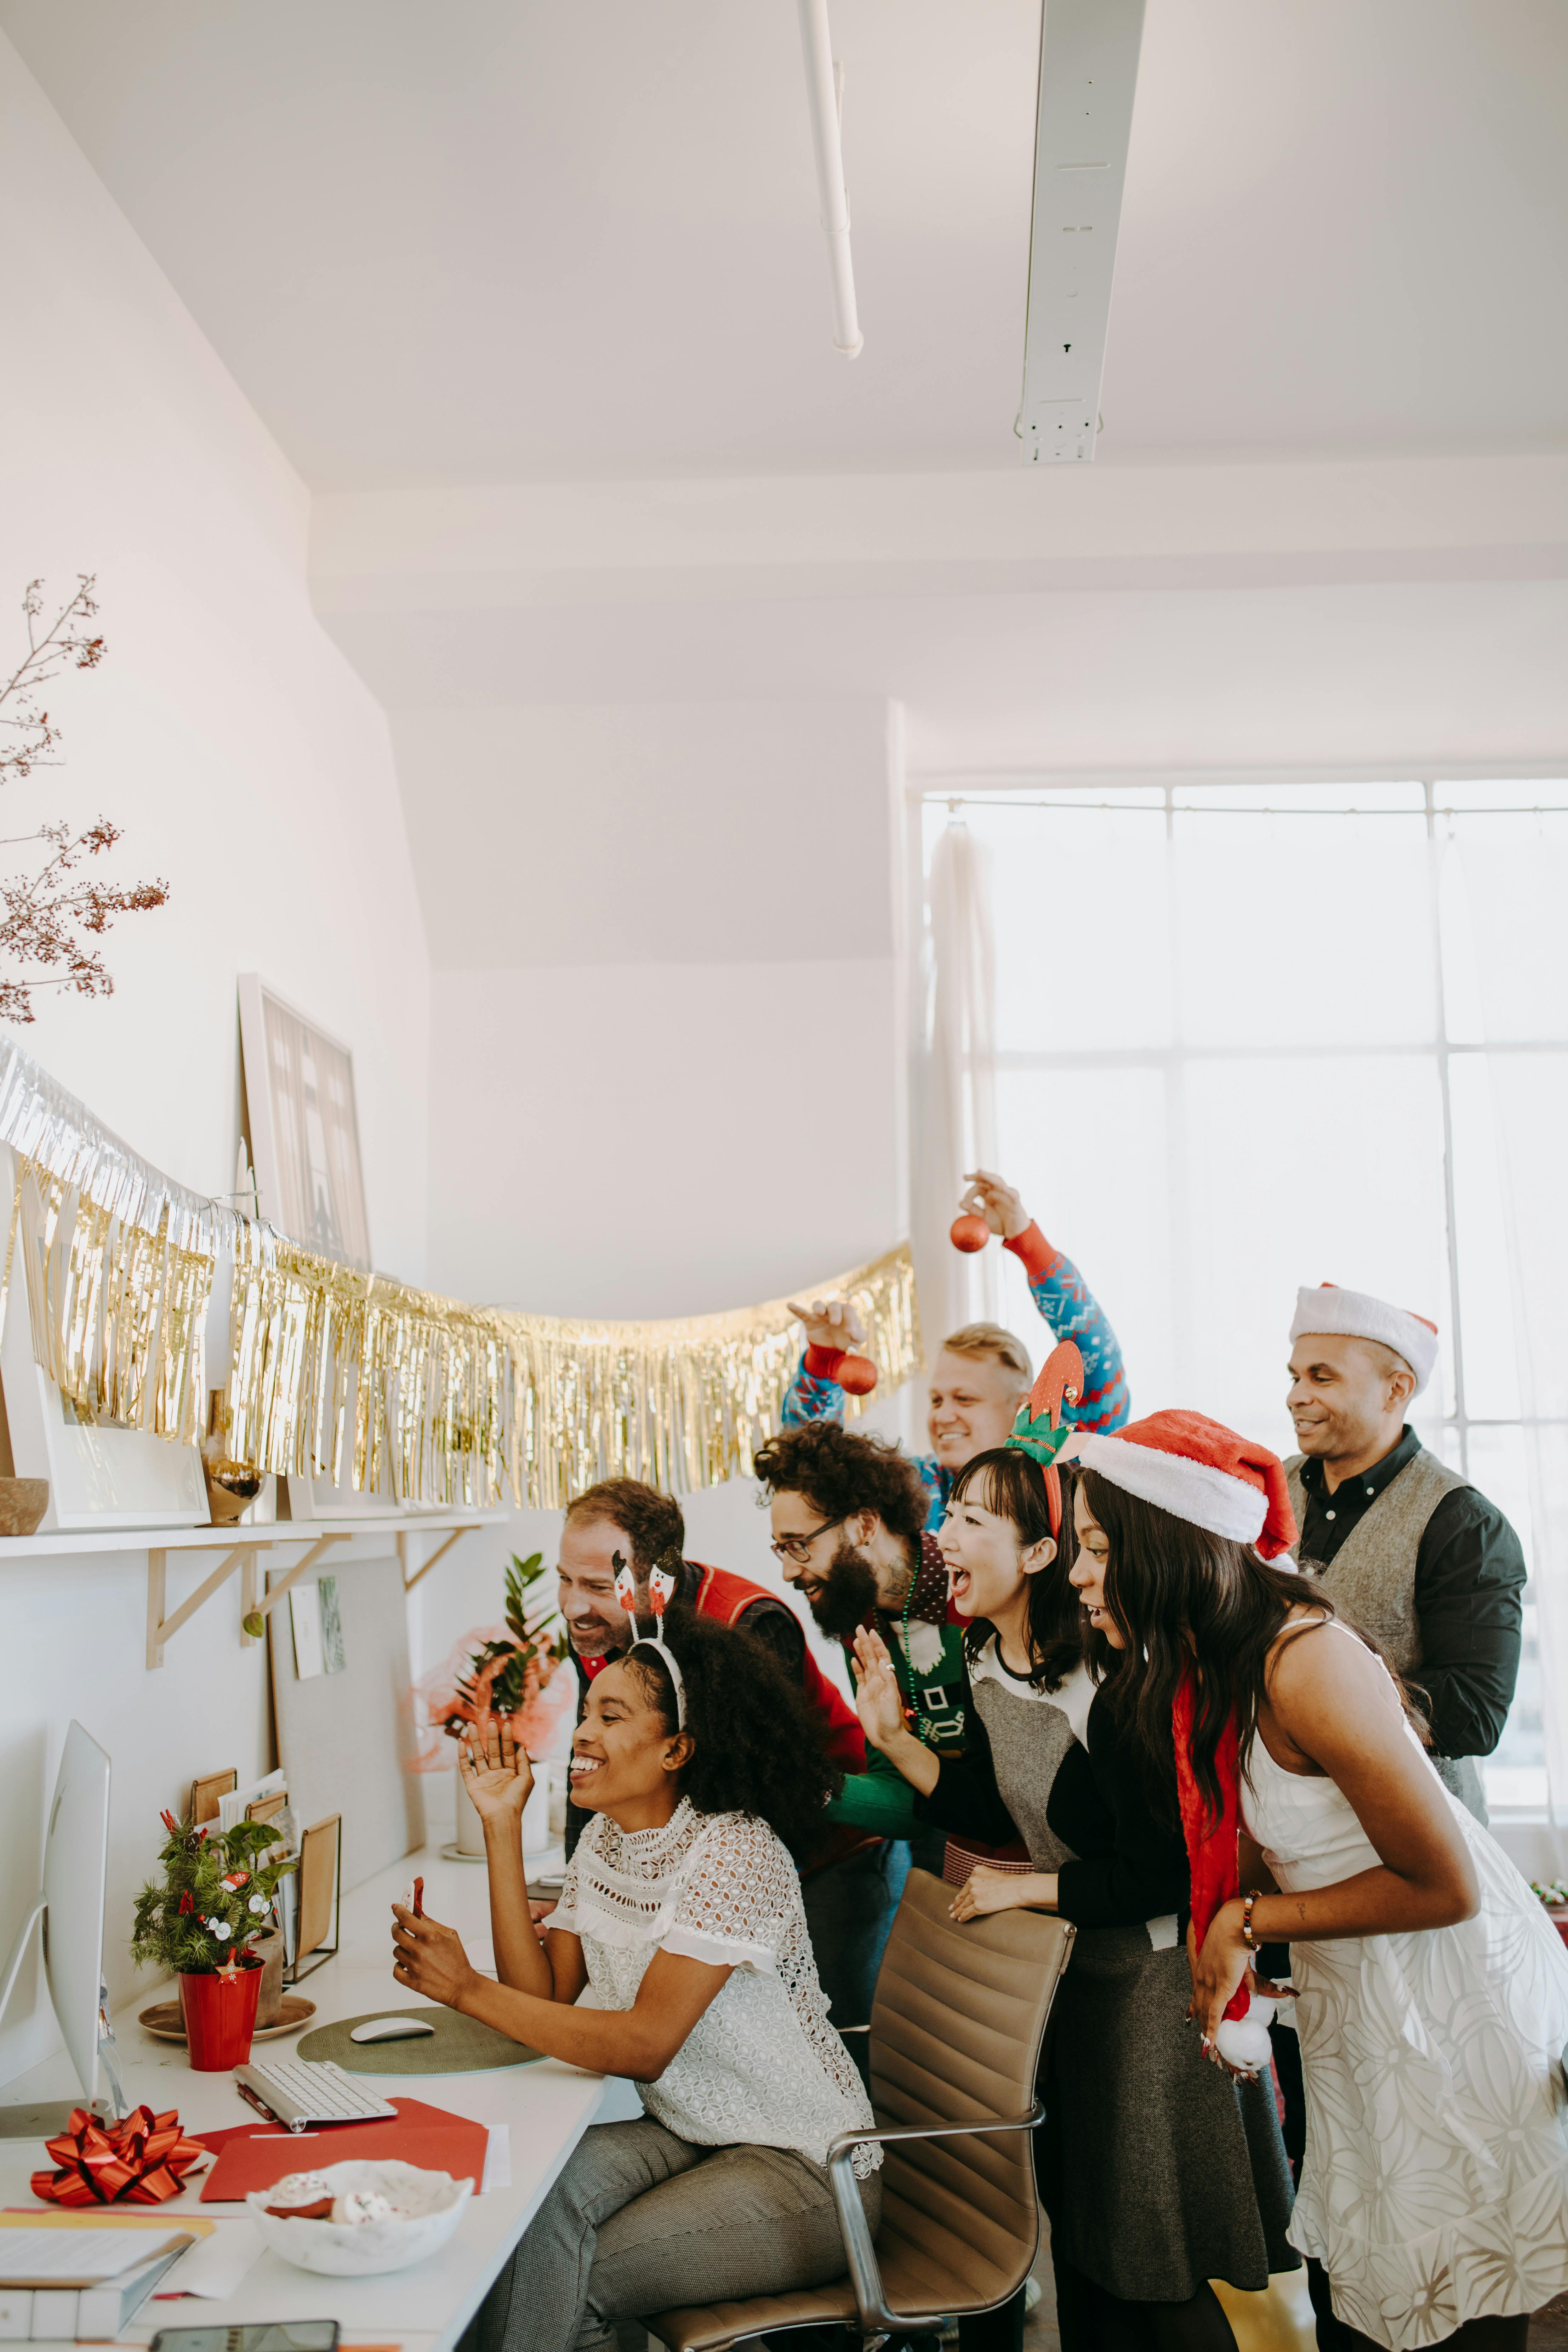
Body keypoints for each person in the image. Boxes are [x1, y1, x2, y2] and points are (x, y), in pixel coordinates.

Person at [1070, 1407, 1568, 2351]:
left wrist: (1243, 1921)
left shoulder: (1307, 1662)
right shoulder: (1209, 1660)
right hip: (1362, 2011)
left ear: (1168, 1543)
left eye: (1095, 1546)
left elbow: (1442, 1885)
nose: (1076, 1573)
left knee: (1447, 2320)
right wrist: (1228, 1920)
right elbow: (1251, 1826)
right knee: (1362, 2309)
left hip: (1445, 2014)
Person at [853, 1431, 1297, 2352]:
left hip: (1150, 1984)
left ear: (1040, 1553)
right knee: (1092, 2256)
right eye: (947, 1512)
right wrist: (895, 1738)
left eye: (970, 1517)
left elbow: (1159, 1870)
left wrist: (1024, 1889)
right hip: (1075, 1977)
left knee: (1154, 2269)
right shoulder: (982, 1659)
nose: (944, 1535)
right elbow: (984, 1799)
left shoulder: (1107, 1676)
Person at [391, 1608, 881, 2352]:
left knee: (574, 2276)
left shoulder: (734, 1852)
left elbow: (647, 2043)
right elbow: (546, 2000)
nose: (582, 1733)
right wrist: (500, 1828)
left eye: (610, 1716)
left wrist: (466, 1988)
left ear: (677, 1747)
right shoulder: (607, 1840)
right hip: (697, 2133)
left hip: (809, 2167)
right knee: (527, 2206)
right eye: (587, 1712)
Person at [749, 1419, 960, 2057]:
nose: (788, 1570)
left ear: (864, 1524)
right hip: (943, 1880)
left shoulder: (968, 1588)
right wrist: (809, 1788)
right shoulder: (860, 1619)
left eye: (797, 1544)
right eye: (778, 1549)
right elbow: (905, 1795)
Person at [1284, 1284, 1525, 1823]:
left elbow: (1474, 1711)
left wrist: (1307, 1710)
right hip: (1286, 1831)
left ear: (1396, 1390)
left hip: (1420, 1836)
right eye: (1295, 1376)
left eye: (1321, 1377)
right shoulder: (1267, 1490)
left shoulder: (1465, 1524)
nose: (1296, 1395)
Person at [783, 1169, 1129, 1529]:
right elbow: (811, 1473)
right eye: (936, 1399)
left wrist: (1027, 1240)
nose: (942, 1415)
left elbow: (1096, 1356)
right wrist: (824, 1362)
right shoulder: (915, 1489)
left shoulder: (1064, 1470)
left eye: (964, 1399)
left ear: (1021, 1407)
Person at [557, 1477, 863, 1857]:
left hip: (827, 1847)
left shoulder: (751, 1623)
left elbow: (761, 1797)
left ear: (660, 1582)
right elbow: (592, 1758)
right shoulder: (597, 1627)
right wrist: (577, 1890)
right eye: (565, 1579)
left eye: (599, 1587)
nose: (572, 1607)